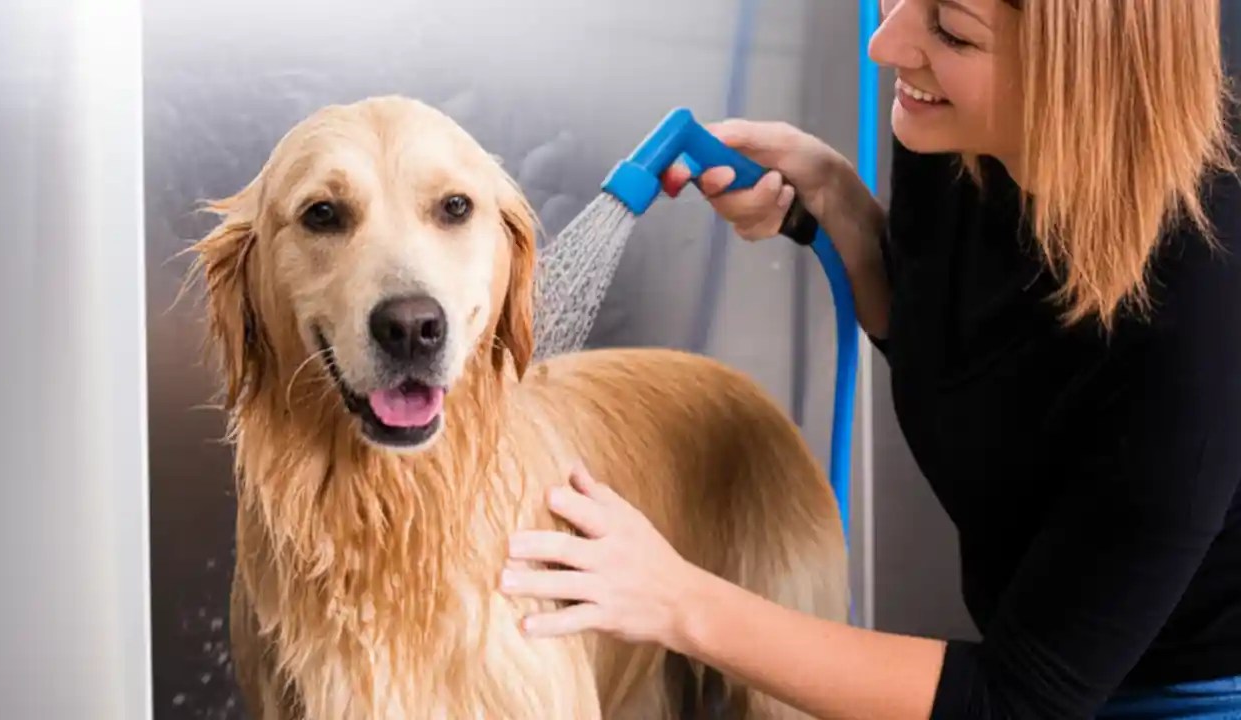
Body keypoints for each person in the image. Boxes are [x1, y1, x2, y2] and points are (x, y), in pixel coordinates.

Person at [497, 0, 1241, 718]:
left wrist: (677, 601)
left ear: (1078, 71)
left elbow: (1014, 700)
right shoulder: (955, 135)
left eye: (951, 30)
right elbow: (978, 373)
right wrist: (834, 201)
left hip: (1178, 692)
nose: (884, 45)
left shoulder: (1197, 323)